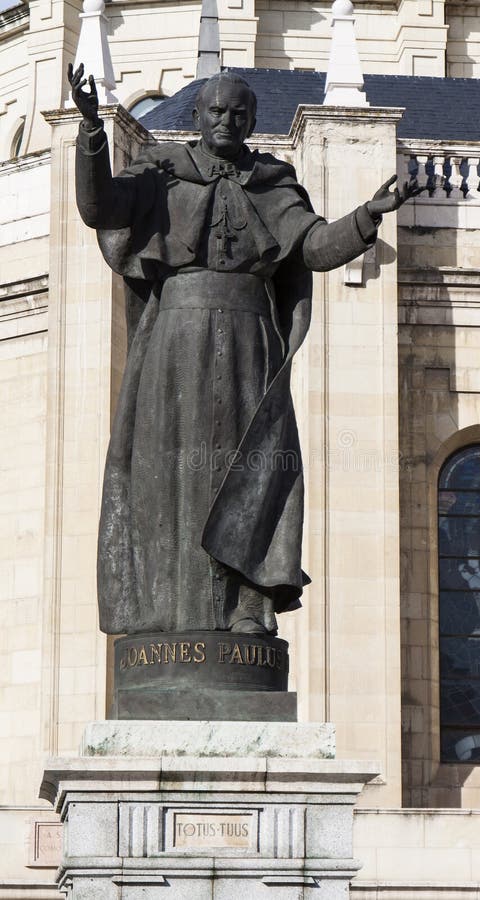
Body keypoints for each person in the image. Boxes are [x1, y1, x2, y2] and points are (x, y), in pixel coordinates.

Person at [68, 63, 417, 637]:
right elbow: (99, 208)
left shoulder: (273, 182)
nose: (226, 121)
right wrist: (90, 133)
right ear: (197, 116)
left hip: (251, 343)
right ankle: (166, 612)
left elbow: (312, 247)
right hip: (175, 342)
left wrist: (366, 217)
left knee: (253, 465)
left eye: (238, 113)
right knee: (165, 471)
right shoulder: (160, 172)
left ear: (252, 121)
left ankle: (247, 607)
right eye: (216, 111)